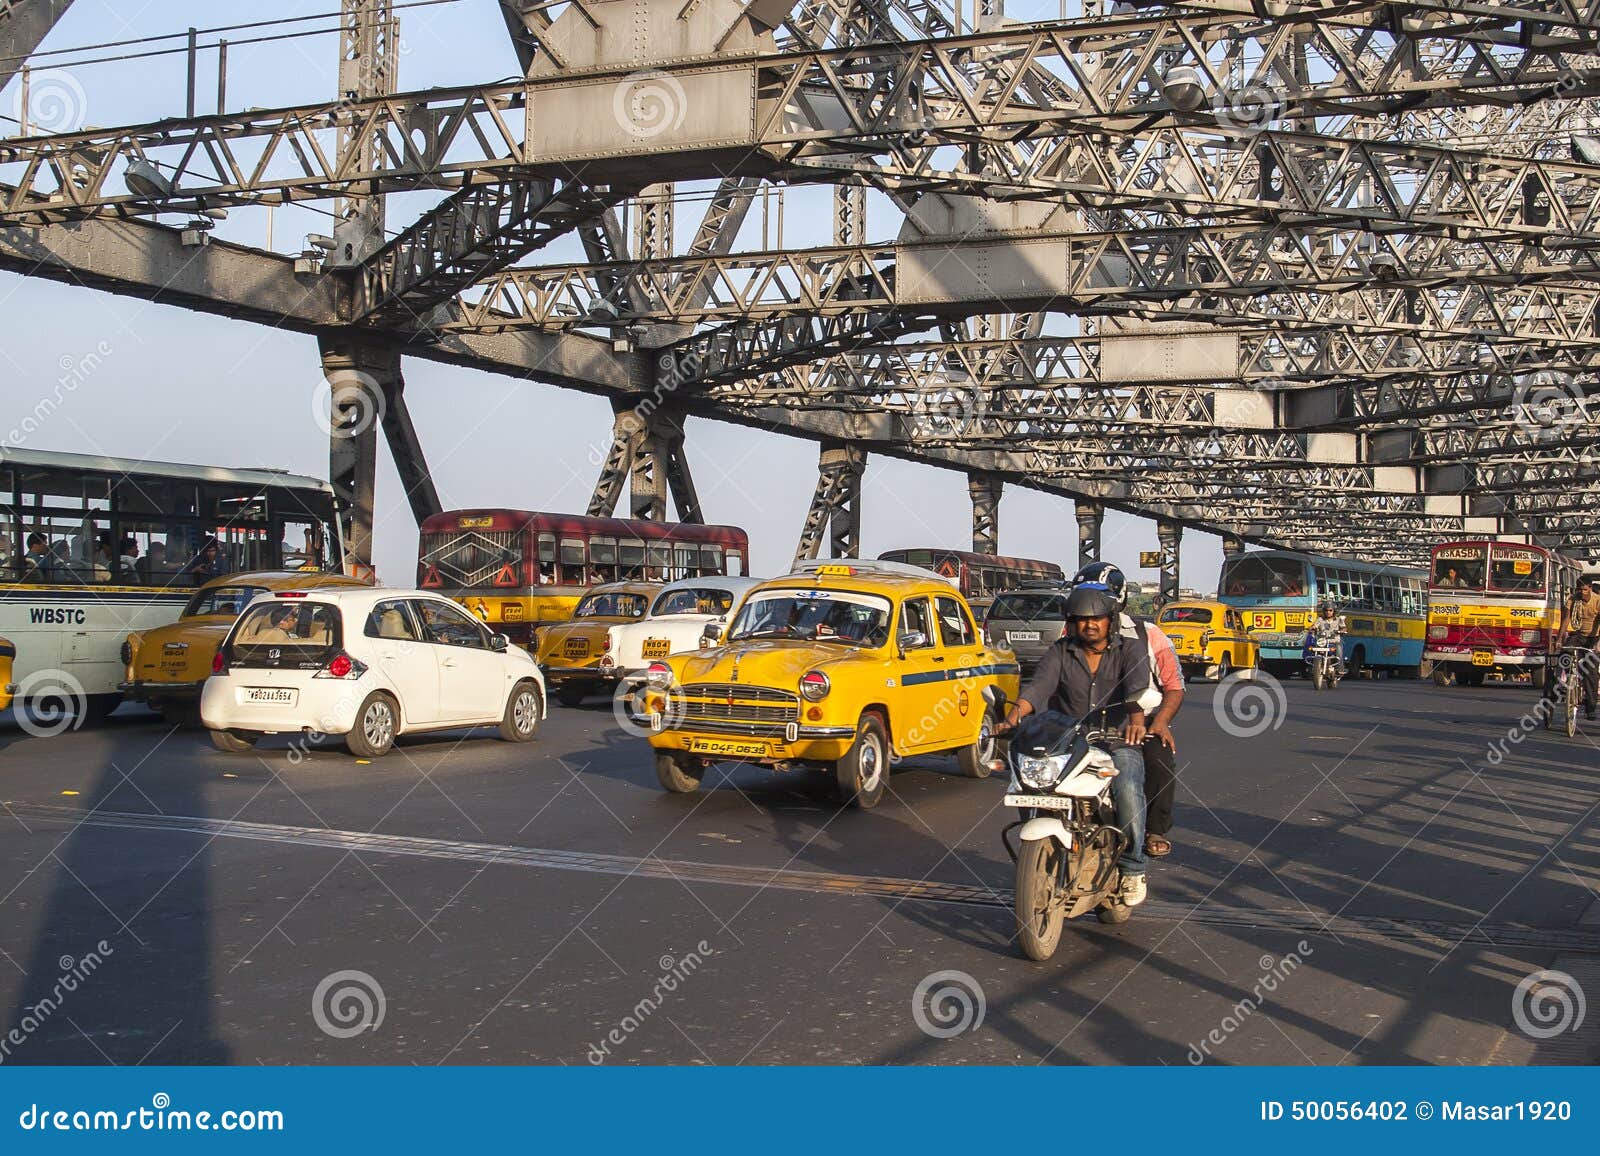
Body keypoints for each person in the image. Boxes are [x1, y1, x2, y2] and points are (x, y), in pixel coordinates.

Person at [994, 584, 1152, 907]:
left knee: (1127, 786)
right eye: (1080, 619)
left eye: (1096, 618)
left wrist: (1137, 722)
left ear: (1110, 619)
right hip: (1067, 741)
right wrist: (1013, 718)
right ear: (1071, 622)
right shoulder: (1060, 652)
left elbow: (1137, 688)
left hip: (1117, 739)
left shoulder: (1130, 650)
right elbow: (1038, 688)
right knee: (1031, 782)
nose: (1089, 624)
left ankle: (1133, 867)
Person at [1073, 561, 1186, 858]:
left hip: (1141, 724)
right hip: (1086, 721)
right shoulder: (1070, 636)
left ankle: (1154, 830)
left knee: (1159, 763)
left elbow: (1174, 686)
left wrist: (1160, 722)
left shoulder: (1149, 635)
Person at [1563, 579, 1600, 720]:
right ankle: (1569, 679)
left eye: (1584, 590)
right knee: (1564, 654)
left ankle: (1590, 709)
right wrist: (1560, 640)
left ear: (1590, 588)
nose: (1582, 593)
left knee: (1590, 673)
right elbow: (1566, 619)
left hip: (1594, 638)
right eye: (1579, 590)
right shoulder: (1573, 599)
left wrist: (1598, 644)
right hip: (1578, 635)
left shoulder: (1597, 600)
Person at [1306, 602, 1346, 675]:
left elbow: (1343, 628)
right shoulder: (1320, 619)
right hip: (1322, 642)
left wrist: (1341, 631)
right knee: (1310, 648)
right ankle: (1310, 666)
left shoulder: (1338, 619)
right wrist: (1312, 628)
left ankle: (1339, 668)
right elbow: (1314, 625)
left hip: (1334, 642)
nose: (1328, 612)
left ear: (1334, 611)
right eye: (1326, 610)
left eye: (1330, 610)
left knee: (1339, 648)